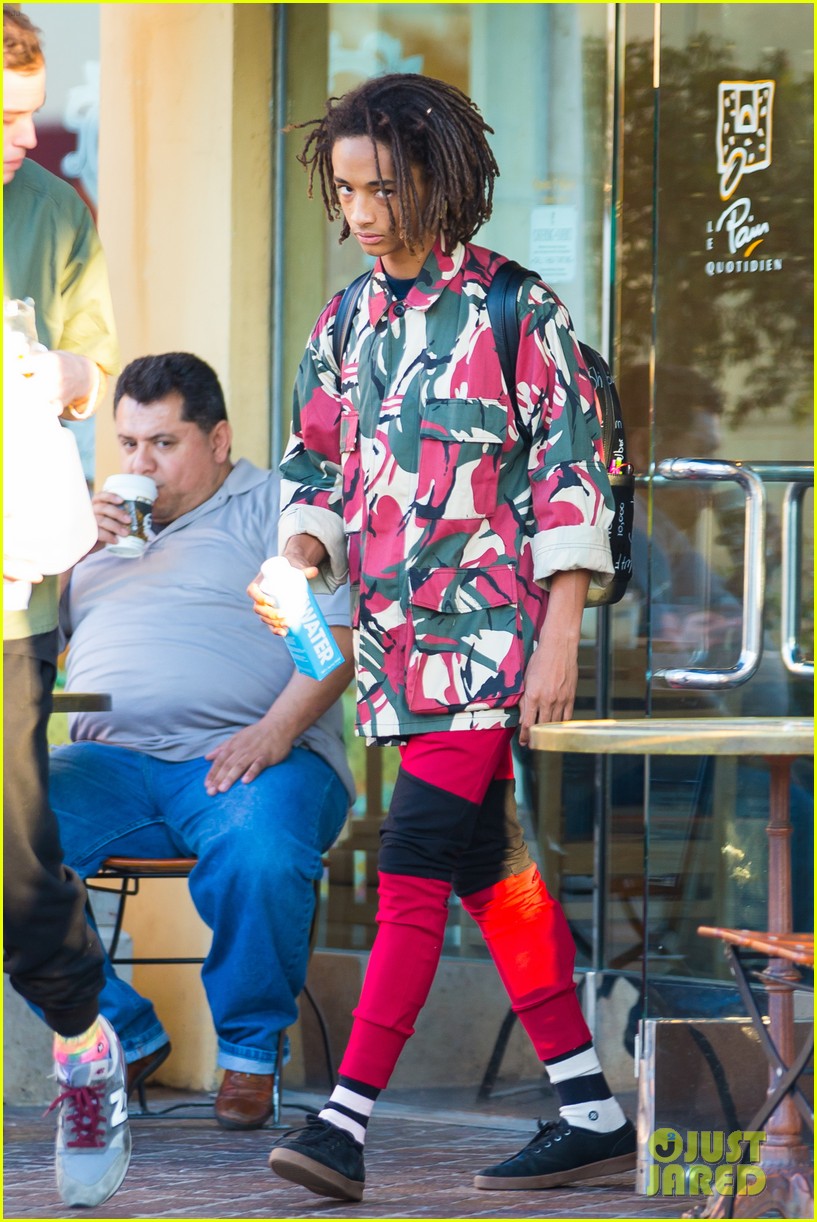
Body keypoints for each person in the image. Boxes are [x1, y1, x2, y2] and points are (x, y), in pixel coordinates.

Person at [250, 73, 635, 1202]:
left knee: (413, 860)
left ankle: (342, 1121)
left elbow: (572, 477)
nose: (363, 211)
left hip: (489, 639)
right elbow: (316, 464)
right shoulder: (345, 321)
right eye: (346, 190)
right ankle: (591, 1110)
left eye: (383, 187)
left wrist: (558, 635)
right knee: (486, 866)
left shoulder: (517, 307)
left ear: (436, 177)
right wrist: (299, 556)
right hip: (391, 646)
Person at [47, 351, 356, 1131]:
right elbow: (31, 655)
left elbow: (333, 647)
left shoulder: (276, 512)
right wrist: (67, 555)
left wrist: (274, 731)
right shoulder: (90, 536)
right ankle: (116, 1032)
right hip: (107, 766)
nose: (140, 466)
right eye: (128, 444)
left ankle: (248, 1056)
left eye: (164, 443)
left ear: (217, 441)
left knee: (260, 849)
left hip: (247, 756)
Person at [2, 6, 130, 1208]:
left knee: (17, 873)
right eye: (3, 118)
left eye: (31, 112)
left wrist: (58, 373)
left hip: (11, 597)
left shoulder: (52, 211)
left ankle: (85, 1044)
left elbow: (100, 367)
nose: (25, 136)